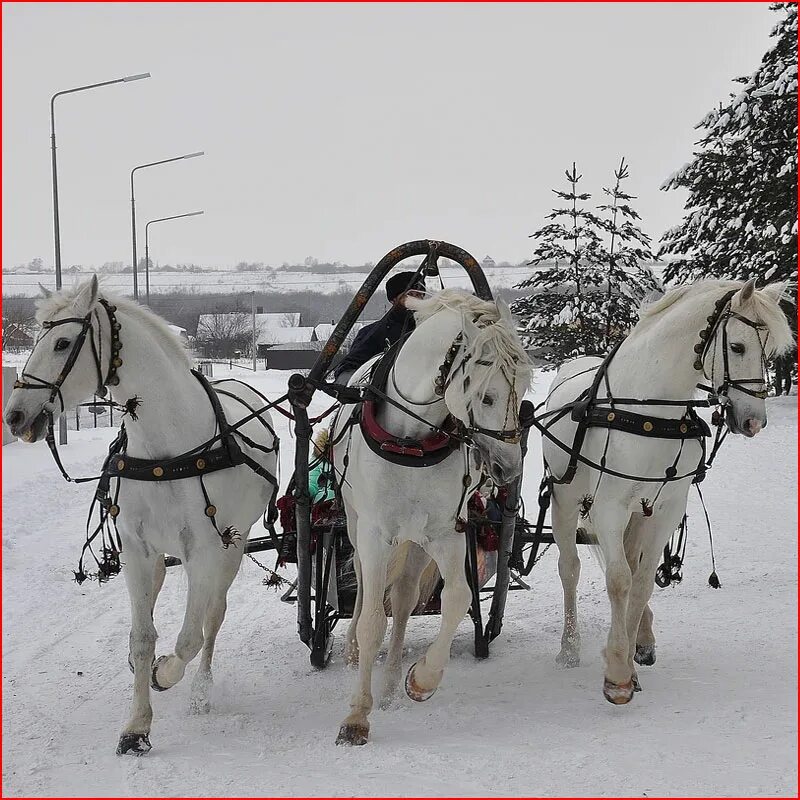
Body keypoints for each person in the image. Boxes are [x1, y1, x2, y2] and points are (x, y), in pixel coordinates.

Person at [333, 271, 426, 384]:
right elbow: (350, 367)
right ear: (393, 300)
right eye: (410, 295)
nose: (416, 300)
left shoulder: (432, 328)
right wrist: (348, 383)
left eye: (420, 295)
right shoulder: (374, 332)